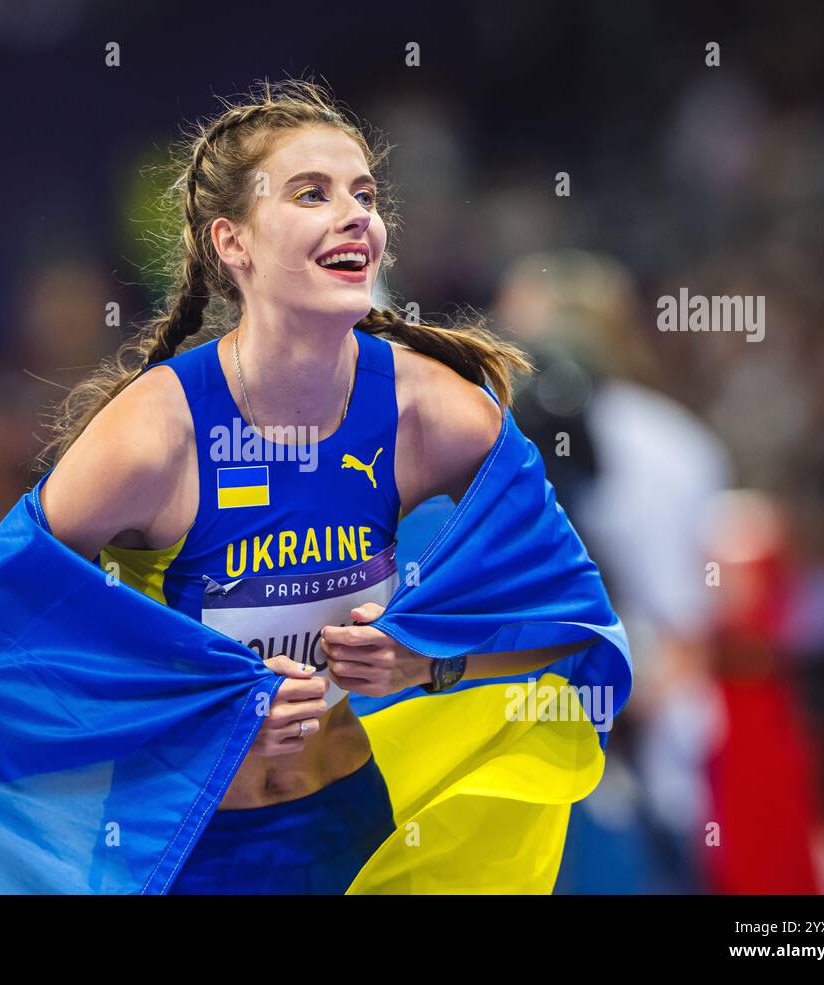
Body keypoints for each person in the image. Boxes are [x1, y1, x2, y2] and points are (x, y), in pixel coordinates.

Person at [37, 79, 590, 894]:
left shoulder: (430, 410)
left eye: (365, 194)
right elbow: (3, 640)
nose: (356, 213)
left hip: (360, 841)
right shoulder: (155, 432)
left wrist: (426, 666)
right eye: (311, 193)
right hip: (187, 850)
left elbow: (572, 627)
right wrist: (194, 713)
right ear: (234, 243)